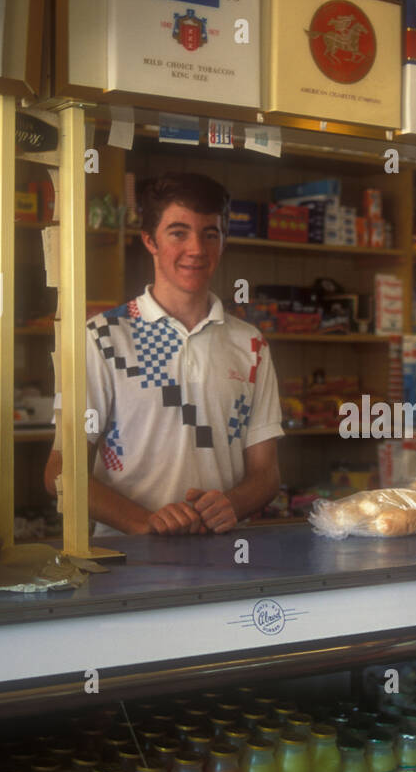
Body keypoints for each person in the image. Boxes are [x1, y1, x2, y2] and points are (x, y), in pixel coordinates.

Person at [44, 173, 283, 536]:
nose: (196, 249)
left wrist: (233, 503)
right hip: (126, 562)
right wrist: (146, 523)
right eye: (178, 232)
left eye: (210, 234)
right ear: (149, 240)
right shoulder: (101, 338)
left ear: (223, 243)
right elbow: (60, 472)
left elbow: (266, 475)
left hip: (225, 557)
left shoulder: (251, 345)